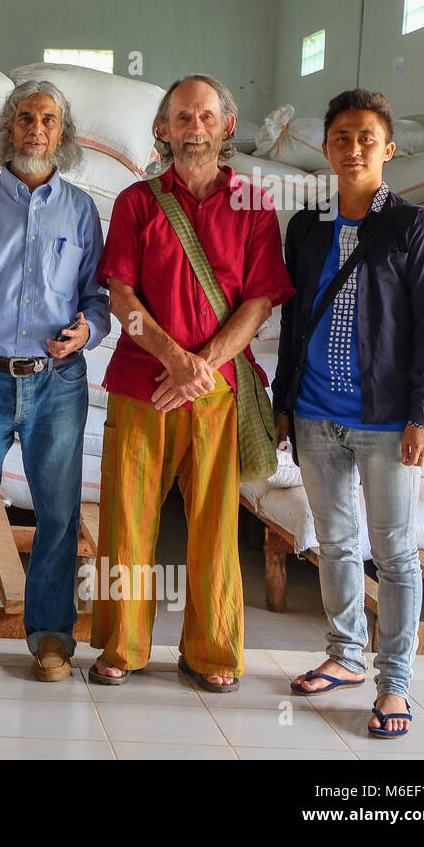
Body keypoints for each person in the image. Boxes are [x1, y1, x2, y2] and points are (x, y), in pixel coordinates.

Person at [90, 74, 293, 691]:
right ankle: (121, 648)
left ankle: (211, 652)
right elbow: (119, 294)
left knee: (214, 524)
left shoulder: (253, 204)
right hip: (139, 382)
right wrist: (173, 358)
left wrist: (200, 365)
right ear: (163, 129)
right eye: (182, 118)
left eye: (206, 117)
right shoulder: (136, 202)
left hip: (218, 389)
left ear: (227, 126)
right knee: (126, 518)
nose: (194, 129)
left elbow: (259, 300)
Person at [273, 89, 424, 739]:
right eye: (342, 137)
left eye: (366, 138)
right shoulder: (308, 226)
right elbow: (294, 319)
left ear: (388, 148)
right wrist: (285, 402)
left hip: (384, 418)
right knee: (336, 543)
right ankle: (345, 656)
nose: (353, 149)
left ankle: (394, 684)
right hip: (316, 414)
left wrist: (423, 414)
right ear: (325, 148)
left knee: (395, 552)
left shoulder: (413, 227)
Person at [0, 81, 109, 681]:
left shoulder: (82, 209)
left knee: (58, 515)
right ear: (9, 128)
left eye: (50, 120)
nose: (37, 128)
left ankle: (52, 636)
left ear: (63, 134)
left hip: (58, 384)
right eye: (27, 118)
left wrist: (88, 329)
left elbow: (97, 296)